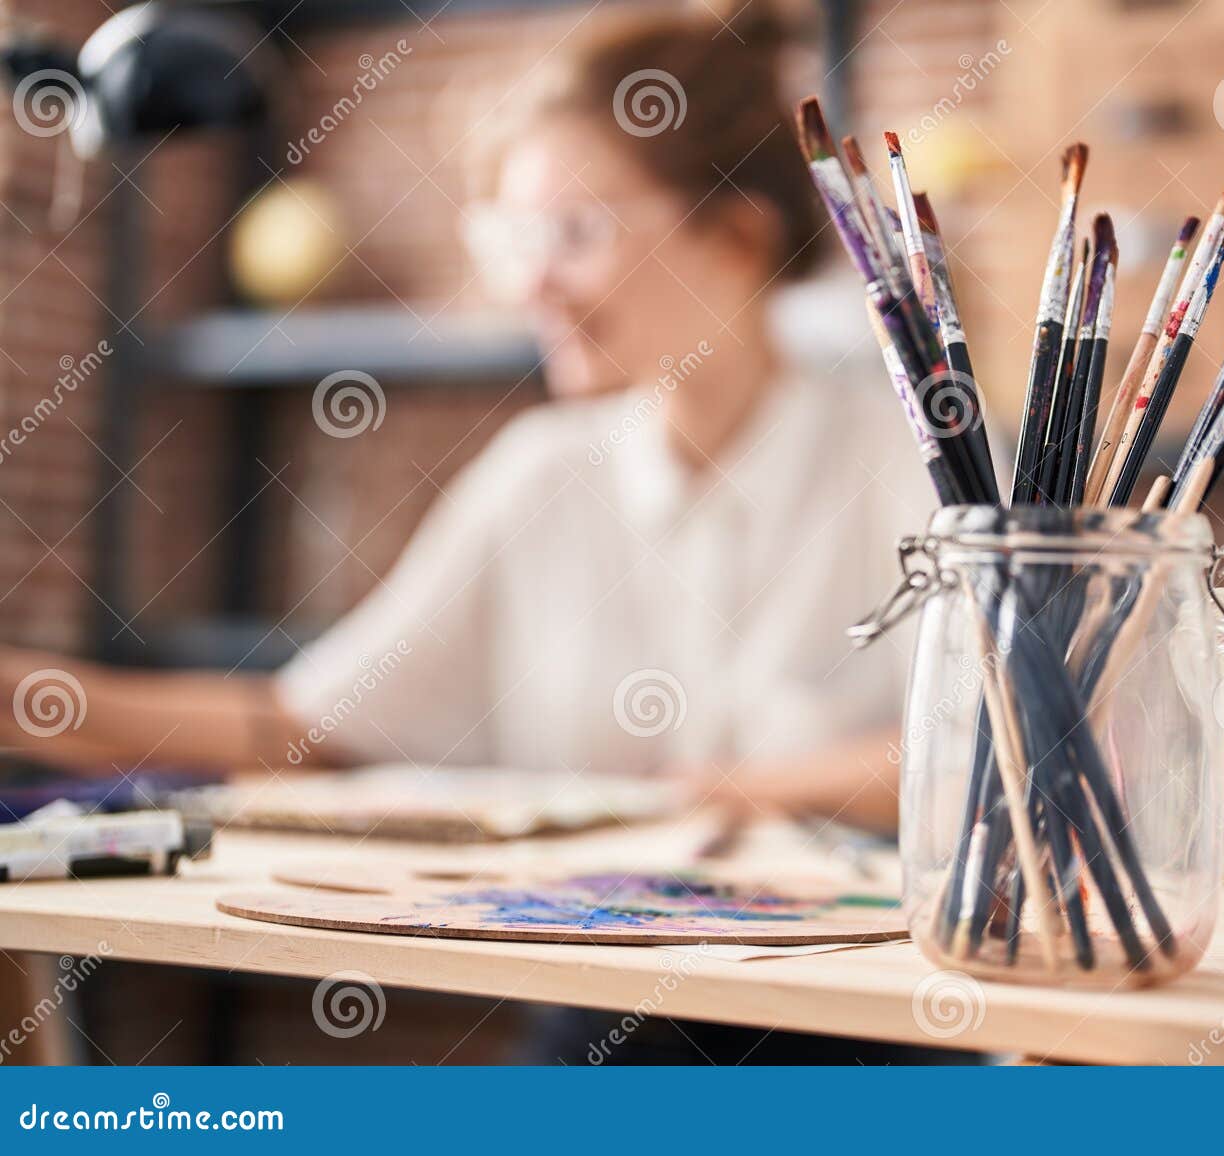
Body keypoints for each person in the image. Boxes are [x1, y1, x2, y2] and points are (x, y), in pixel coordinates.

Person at [0, 2, 971, 1063]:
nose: (529, 282)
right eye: (512, 238)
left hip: (872, 1025)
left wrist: (706, 795)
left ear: (737, 236)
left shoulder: (908, 460)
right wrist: (28, 695)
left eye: (574, 234)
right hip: (606, 1028)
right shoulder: (540, 475)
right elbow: (305, 724)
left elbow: (996, 751)